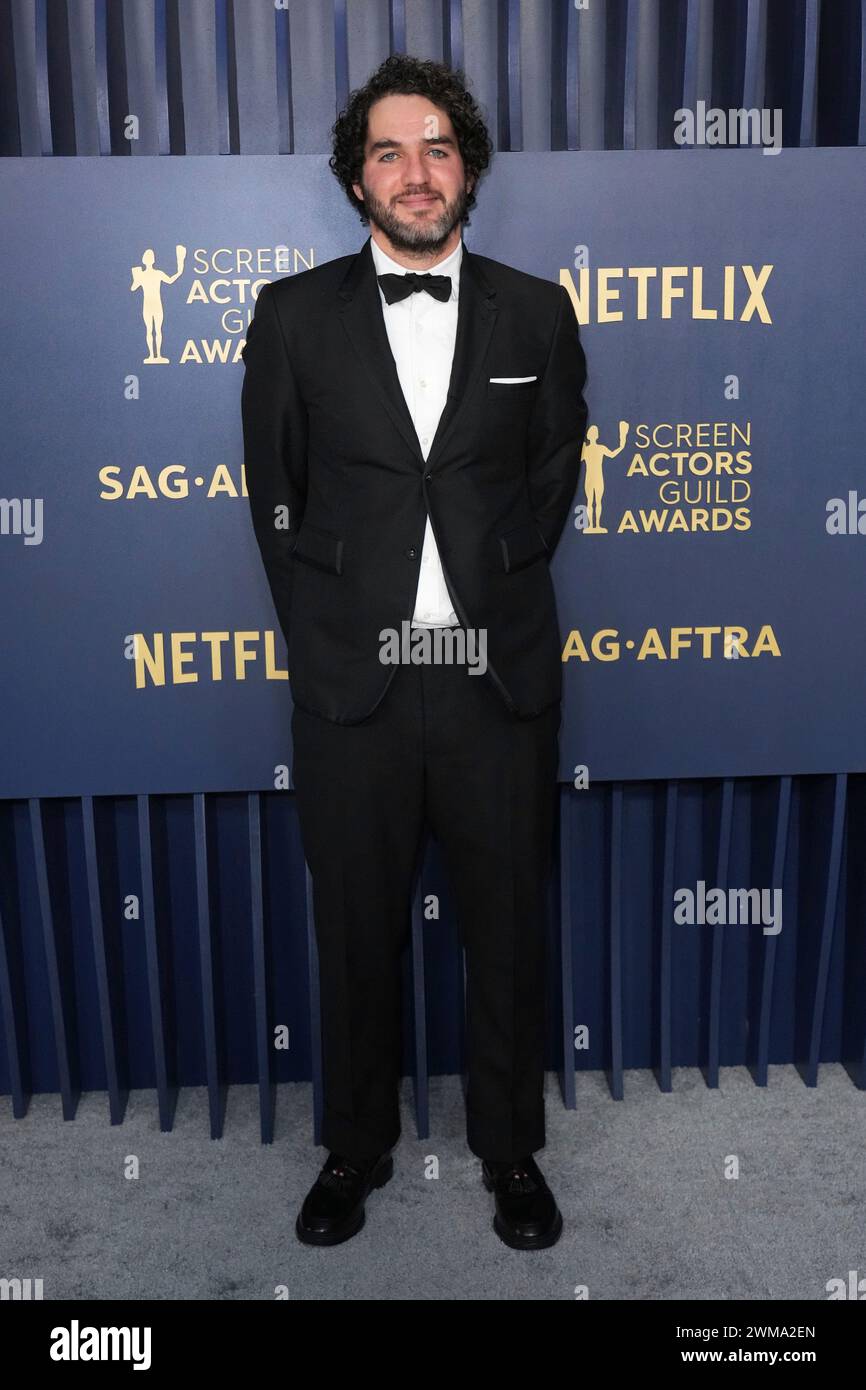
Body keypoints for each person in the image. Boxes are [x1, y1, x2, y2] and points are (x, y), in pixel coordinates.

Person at [241, 52, 589, 1250]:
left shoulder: (537, 312)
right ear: (354, 181)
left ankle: (510, 1152)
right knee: (355, 931)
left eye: (436, 146)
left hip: (494, 680)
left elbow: (549, 486)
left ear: (469, 167)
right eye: (387, 150)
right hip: (356, 688)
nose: (415, 171)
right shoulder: (291, 319)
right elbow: (273, 501)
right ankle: (354, 1146)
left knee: (505, 926)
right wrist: (336, 642)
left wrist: (486, 602)